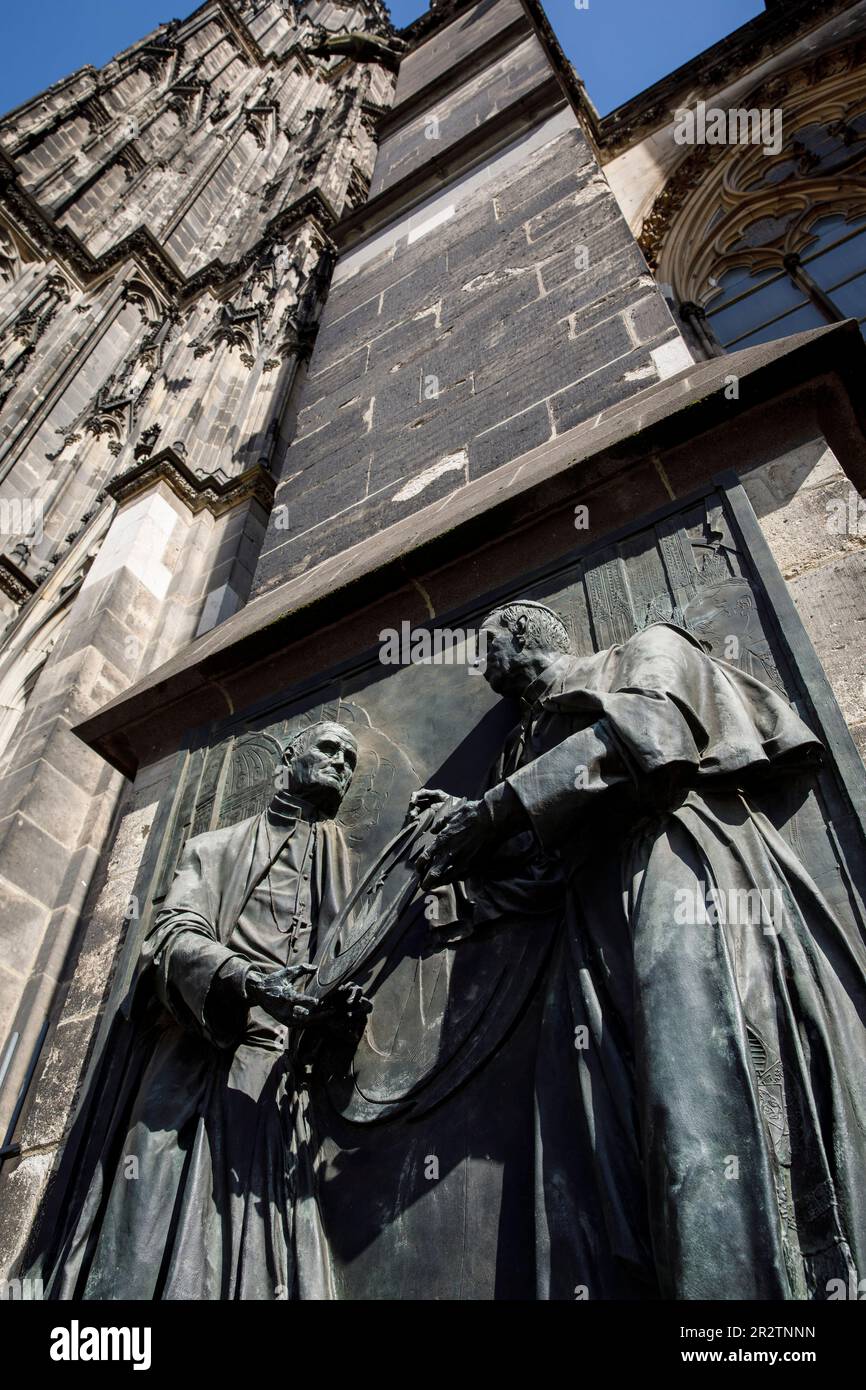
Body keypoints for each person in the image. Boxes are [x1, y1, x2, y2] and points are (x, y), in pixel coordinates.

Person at [415, 601, 866, 1299]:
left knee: (699, 1091)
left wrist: (494, 810)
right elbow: (534, 871)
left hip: (677, 865)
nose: (479, 664)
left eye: (488, 643)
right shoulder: (520, 747)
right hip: (589, 924)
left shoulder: (642, 651)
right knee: (616, 1139)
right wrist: (456, 861)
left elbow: (651, 734)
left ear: (528, 633)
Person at [41, 721, 367, 1300]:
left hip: (275, 1074)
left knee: (259, 1243)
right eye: (328, 748)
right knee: (152, 1212)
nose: (341, 762)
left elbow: (342, 967)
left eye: (350, 757)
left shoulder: (335, 865)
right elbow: (171, 936)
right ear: (290, 756)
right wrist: (249, 980)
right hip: (197, 1050)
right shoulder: (211, 849)